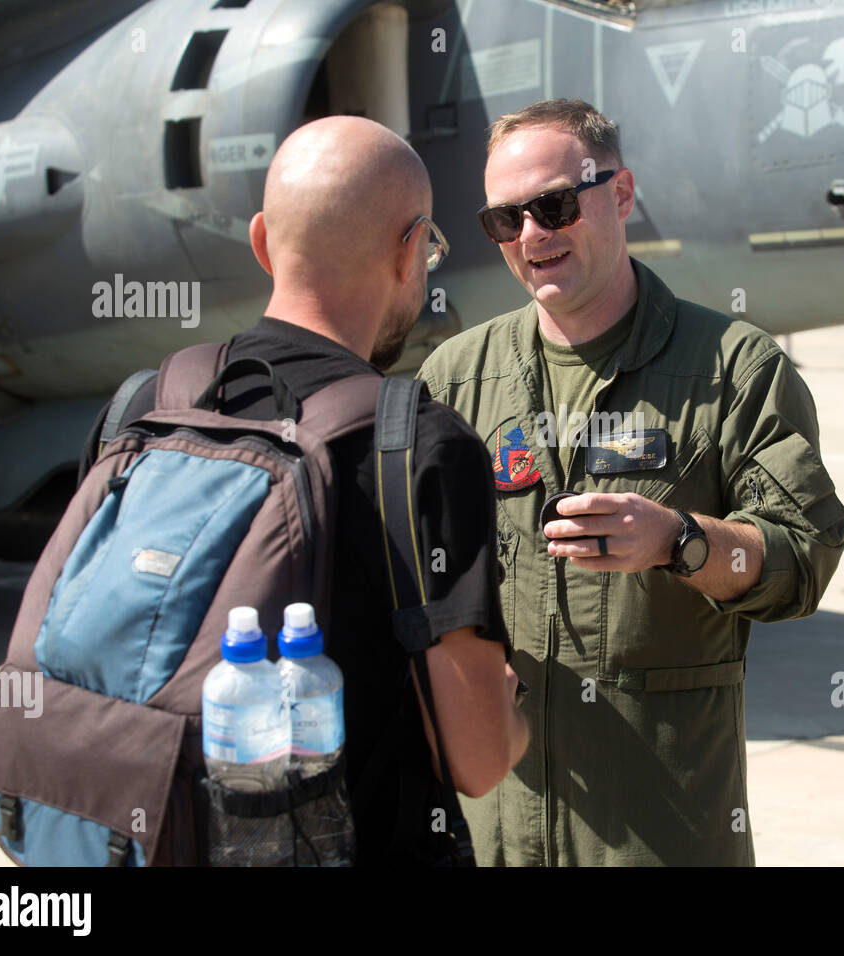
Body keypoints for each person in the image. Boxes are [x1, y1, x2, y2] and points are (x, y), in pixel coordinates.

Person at [81, 116, 528, 864]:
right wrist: (510, 708)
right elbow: (477, 761)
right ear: (411, 249)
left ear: (261, 242)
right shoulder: (423, 444)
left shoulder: (140, 407)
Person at [417, 99, 844, 865]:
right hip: (496, 833)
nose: (531, 235)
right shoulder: (457, 376)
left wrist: (682, 541)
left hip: (663, 834)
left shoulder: (733, 367)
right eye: (503, 220)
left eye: (553, 205)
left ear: (619, 195)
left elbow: (803, 559)